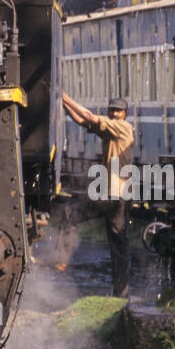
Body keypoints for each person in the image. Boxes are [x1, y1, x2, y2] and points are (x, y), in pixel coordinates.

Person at [55, 93, 135, 298]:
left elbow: (89, 115)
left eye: (118, 111)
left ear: (125, 114)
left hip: (116, 196)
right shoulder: (111, 132)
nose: (114, 114)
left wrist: (64, 96)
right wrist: (62, 104)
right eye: (111, 110)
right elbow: (82, 121)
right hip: (113, 196)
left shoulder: (124, 128)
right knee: (118, 244)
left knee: (71, 213)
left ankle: (62, 259)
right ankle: (121, 294)